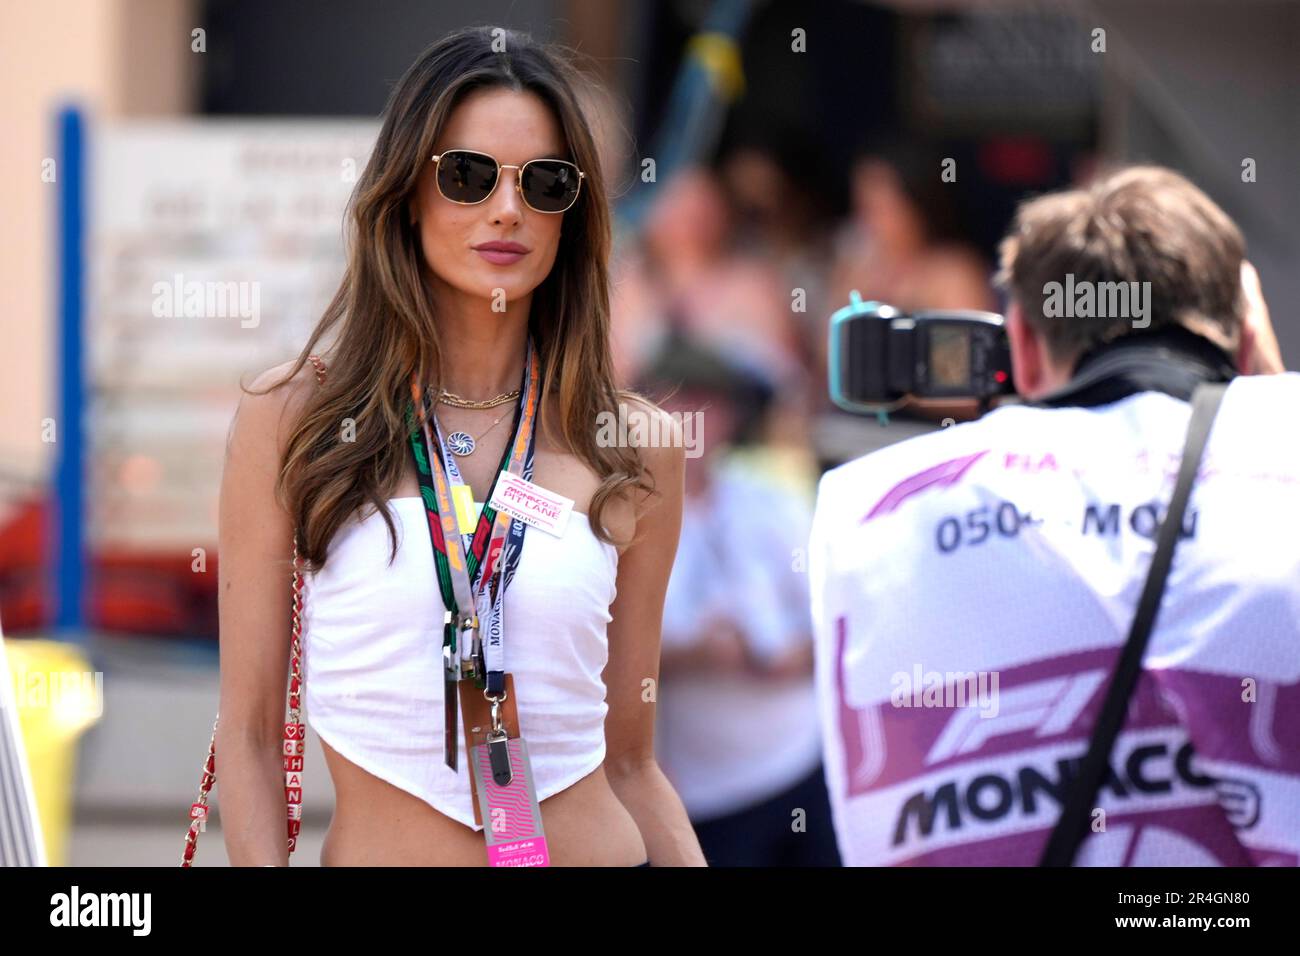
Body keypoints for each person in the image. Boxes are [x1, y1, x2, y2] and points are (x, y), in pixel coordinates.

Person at [216, 26, 704, 867]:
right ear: (408, 192)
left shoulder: (635, 445)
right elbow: (253, 739)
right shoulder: (290, 419)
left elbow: (631, 759)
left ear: (572, 213)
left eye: (544, 183)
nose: (506, 209)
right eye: (468, 176)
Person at [809, 165, 1298, 866]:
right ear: (1247, 336)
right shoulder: (1282, 442)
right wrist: (1266, 385)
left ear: (1026, 352)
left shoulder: (877, 508)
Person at [643, 333, 841, 866]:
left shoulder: (770, 498)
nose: (691, 421)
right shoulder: (622, 519)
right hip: (705, 789)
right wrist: (693, 654)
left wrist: (796, 655)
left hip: (799, 758)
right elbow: (599, 656)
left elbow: (838, 611)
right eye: (676, 403)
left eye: (705, 405)